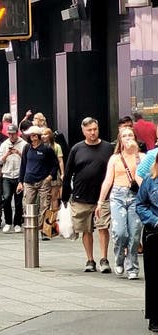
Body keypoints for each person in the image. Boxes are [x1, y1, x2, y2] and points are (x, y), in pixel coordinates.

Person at [62, 117, 115, 273]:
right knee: (86, 229)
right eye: (89, 130)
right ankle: (90, 259)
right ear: (83, 131)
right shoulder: (77, 149)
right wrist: (65, 196)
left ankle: (104, 259)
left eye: (95, 129)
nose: (92, 132)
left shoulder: (108, 148)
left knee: (103, 227)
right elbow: (68, 173)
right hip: (81, 195)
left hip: (103, 196)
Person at [96, 127, 144, 280]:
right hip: (117, 195)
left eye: (130, 135)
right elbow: (107, 180)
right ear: (120, 140)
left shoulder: (142, 157)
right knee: (120, 232)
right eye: (125, 136)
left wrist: (136, 153)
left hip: (135, 196)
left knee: (134, 234)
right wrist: (100, 202)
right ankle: (119, 258)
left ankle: (132, 267)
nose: (128, 138)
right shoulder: (115, 158)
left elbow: (142, 177)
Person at [16, 127, 59, 233]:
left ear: (39, 136)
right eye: (31, 135)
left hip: (43, 180)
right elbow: (23, 165)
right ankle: (30, 227)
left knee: (45, 205)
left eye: (35, 135)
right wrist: (20, 182)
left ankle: (43, 229)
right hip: (29, 180)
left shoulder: (46, 148)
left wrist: (50, 177)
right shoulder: (27, 148)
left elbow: (55, 164)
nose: (33, 137)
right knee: (27, 204)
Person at [136, 155, 158, 331]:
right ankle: (155, 317)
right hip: (154, 232)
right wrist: (155, 221)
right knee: (154, 277)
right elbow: (140, 204)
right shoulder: (150, 180)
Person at [0, 124, 25, 232]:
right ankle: (8, 222)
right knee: (6, 198)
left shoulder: (23, 144)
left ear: (17, 133)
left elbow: (27, 159)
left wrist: (18, 153)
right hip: (7, 175)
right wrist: (7, 154)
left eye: (13, 134)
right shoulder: (4, 144)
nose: (11, 136)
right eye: (9, 134)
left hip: (19, 175)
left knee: (18, 201)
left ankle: (17, 223)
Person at [41, 127, 65, 213]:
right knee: (44, 198)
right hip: (42, 174)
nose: (43, 136)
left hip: (54, 174)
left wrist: (62, 173)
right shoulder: (39, 146)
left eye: (45, 134)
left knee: (54, 197)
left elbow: (60, 161)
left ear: (50, 135)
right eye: (42, 134)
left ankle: (54, 217)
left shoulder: (56, 146)